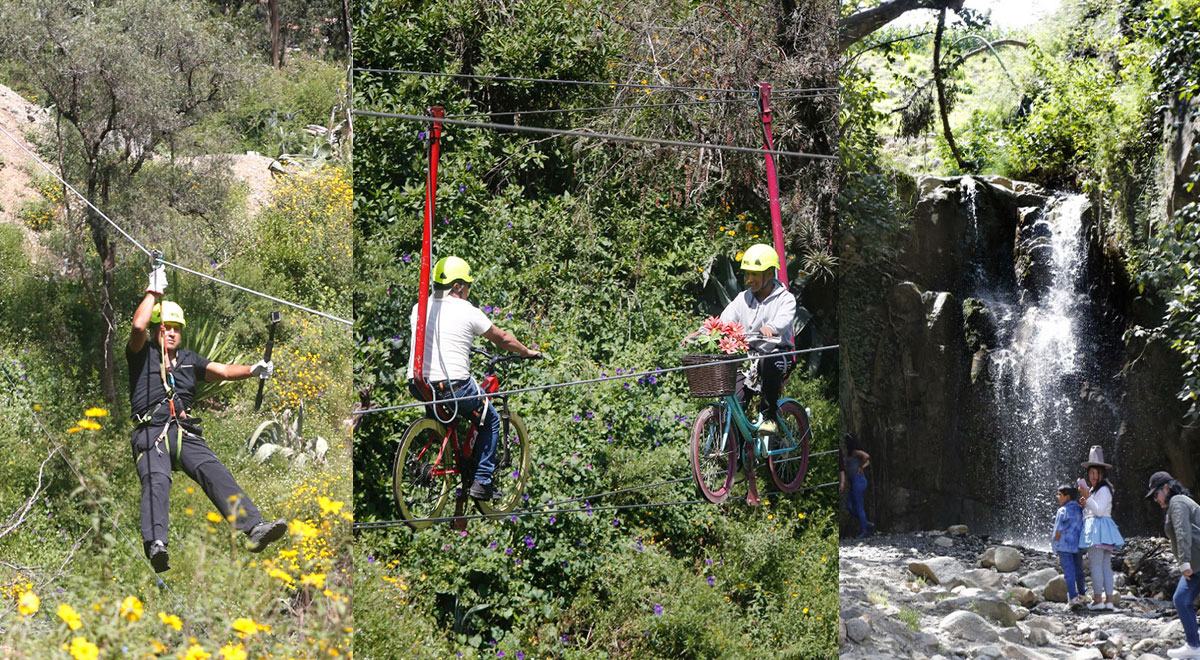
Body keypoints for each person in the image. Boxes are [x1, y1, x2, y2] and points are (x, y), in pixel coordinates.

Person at [129, 263, 287, 573]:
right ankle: (157, 544)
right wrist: (153, 291)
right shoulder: (142, 354)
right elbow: (137, 326)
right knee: (156, 480)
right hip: (152, 432)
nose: (171, 333)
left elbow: (223, 371)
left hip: (183, 432)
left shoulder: (189, 360)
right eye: (166, 328)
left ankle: (253, 527)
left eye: (176, 329)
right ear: (156, 330)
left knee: (214, 471)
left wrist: (253, 370)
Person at [406, 256, 539, 501]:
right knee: (491, 420)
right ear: (457, 286)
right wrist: (525, 351)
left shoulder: (419, 307)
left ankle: (442, 451)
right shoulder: (466, 310)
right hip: (453, 386)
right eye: (467, 286)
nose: (467, 291)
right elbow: (502, 338)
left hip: (418, 384)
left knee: (450, 420)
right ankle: (482, 481)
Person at [717, 244, 798, 436]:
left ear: (769, 274)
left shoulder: (786, 299)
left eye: (754, 274)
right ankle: (736, 444)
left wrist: (771, 327)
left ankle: (770, 418)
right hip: (749, 358)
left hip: (779, 354)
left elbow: (783, 319)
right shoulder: (742, 298)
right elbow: (722, 322)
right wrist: (702, 332)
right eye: (747, 274)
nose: (748, 280)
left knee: (767, 361)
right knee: (734, 400)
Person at [1146, 471, 1200, 659]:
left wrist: (1184, 561)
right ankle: (1194, 647)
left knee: (1181, 600)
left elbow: (1182, 531)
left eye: (1156, 494)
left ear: (1167, 488)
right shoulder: (1176, 504)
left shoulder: (1177, 502)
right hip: (1196, 566)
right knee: (1181, 600)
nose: (1155, 499)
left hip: (1194, 564)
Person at [1077, 445, 1124, 610]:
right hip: (1104, 530)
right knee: (1104, 566)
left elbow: (1098, 511)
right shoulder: (1095, 490)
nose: (1093, 476)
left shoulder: (1103, 489)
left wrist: (1087, 498)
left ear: (1102, 474)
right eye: (1091, 473)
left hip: (1098, 529)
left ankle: (1098, 600)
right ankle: (1108, 601)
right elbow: (1092, 509)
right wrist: (1086, 503)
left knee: (1097, 565)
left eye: (1096, 473)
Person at [1052, 484, 1087, 605]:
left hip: (1064, 546)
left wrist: (1055, 545)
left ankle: (1072, 598)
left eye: (1060, 495)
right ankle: (1082, 595)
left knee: (1069, 573)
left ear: (1067, 497)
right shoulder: (1080, 508)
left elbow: (1058, 530)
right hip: (1077, 546)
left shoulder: (1062, 511)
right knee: (1079, 572)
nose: (1058, 497)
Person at [841, 432, 874, 538]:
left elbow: (867, 457)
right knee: (849, 506)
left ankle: (864, 531)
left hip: (859, 481)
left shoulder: (856, 452)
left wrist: (860, 467)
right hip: (853, 483)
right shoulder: (850, 454)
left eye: (847, 441)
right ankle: (867, 523)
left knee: (859, 506)